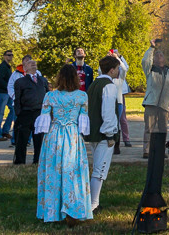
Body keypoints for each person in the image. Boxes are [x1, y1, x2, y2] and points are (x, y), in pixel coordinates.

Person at [36, 63, 91, 224]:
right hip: (72, 136)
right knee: (73, 171)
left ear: (59, 77)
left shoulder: (50, 96)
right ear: (76, 78)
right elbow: (83, 123)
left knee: (53, 172)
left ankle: (53, 210)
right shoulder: (82, 96)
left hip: (54, 137)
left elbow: (44, 120)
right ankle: (73, 210)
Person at [86, 55, 121, 214]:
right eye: (118, 69)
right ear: (112, 70)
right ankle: (93, 204)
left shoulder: (94, 84)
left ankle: (94, 201)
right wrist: (110, 134)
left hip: (92, 132)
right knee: (100, 170)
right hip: (103, 134)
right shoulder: (109, 86)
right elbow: (108, 112)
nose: (119, 71)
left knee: (97, 168)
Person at [141, 39, 169, 158]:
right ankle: (147, 151)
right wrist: (151, 48)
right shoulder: (150, 69)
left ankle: (160, 150)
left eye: (161, 54)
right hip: (151, 103)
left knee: (163, 129)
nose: (158, 56)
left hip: (164, 105)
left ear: (164, 58)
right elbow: (145, 61)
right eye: (156, 55)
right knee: (149, 128)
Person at [14, 56, 49, 165]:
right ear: (25, 68)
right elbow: (17, 99)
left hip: (40, 113)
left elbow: (48, 95)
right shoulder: (20, 81)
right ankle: (20, 161)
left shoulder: (43, 80)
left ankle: (38, 161)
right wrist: (18, 113)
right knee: (22, 139)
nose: (33, 64)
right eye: (30, 63)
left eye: (34, 62)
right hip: (25, 113)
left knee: (39, 139)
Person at [0, 50, 15, 142]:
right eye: (8, 55)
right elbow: (0, 80)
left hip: (8, 93)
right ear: (4, 56)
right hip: (2, 92)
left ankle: (5, 130)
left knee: (13, 110)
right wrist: (7, 87)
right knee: (0, 113)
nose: (10, 56)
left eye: (11, 55)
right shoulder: (2, 67)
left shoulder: (8, 67)